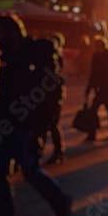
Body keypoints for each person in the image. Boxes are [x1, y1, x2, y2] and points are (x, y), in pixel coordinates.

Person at [0, 15, 72, 216]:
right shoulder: (6, 56)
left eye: (0, 33)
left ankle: (60, 201)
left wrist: (42, 123)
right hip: (7, 124)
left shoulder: (36, 52)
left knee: (30, 170)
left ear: (13, 32)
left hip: (27, 124)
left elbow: (52, 89)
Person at [84, 36, 108, 142]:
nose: (98, 48)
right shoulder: (96, 57)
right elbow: (93, 75)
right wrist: (89, 89)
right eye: (97, 46)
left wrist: (105, 81)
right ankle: (94, 134)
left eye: (100, 46)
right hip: (101, 90)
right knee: (95, 111)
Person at [43, 32, 67, 164]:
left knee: (52, 125)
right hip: (50, 97)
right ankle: (57, 151)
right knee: (50, 125)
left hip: (52, 98)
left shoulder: (55, 58)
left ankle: (58, 151)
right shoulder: (54, 57)